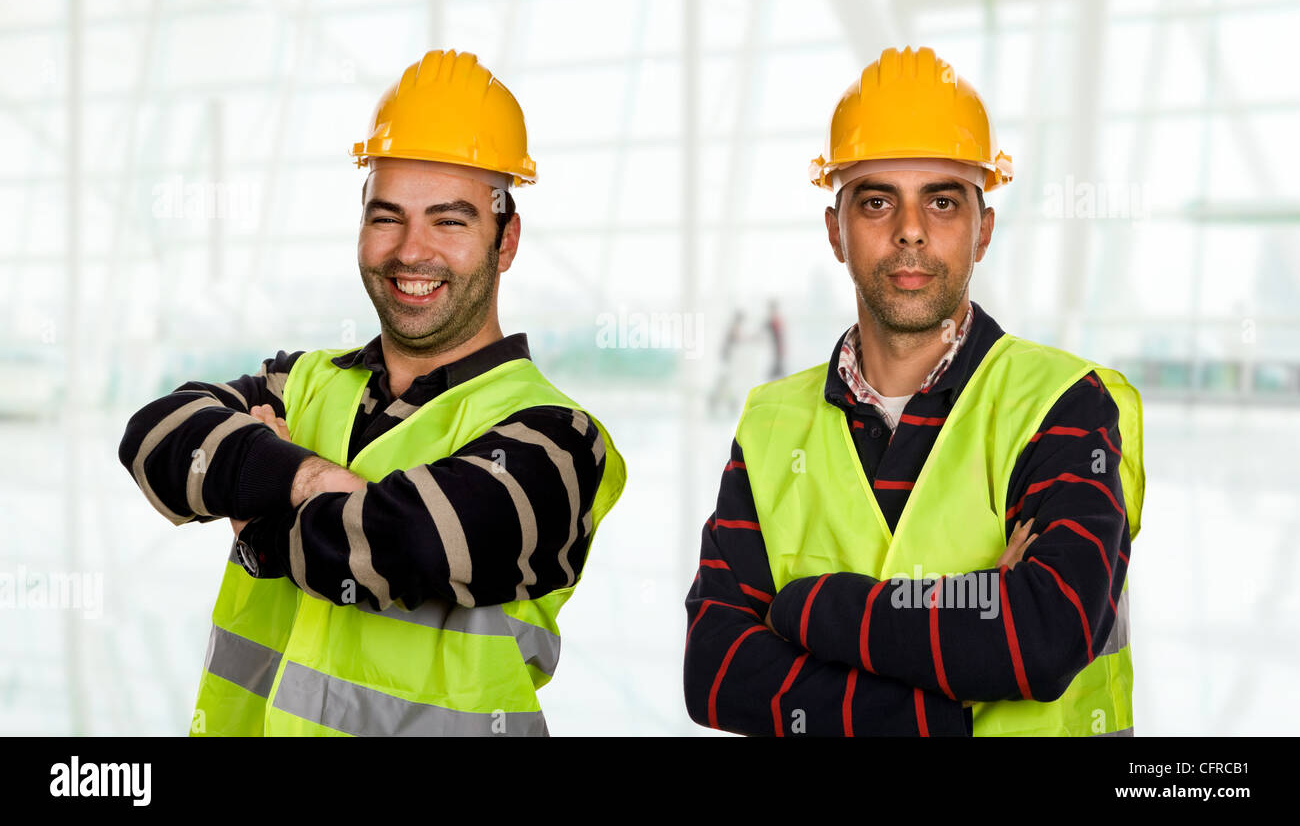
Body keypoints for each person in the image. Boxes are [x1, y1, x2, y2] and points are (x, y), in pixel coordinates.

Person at [119, 49, 626, 736]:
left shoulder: (557, 440)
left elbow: (411, 543)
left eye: (450, 220)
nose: (410, 250)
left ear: (506, 240)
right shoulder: (304, 380)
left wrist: (259, 511)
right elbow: (154, 435)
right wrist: (303, 475)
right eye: (387, 216)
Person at [683, 46, 1143, 736]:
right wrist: (954, 658)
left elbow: (1045, 636)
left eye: (943, 200)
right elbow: (714, 674)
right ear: (836, 231)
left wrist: (807, 608)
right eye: (876, 201)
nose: (910, 230)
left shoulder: (1065, 405)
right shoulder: (770, 427)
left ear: (982, 230)